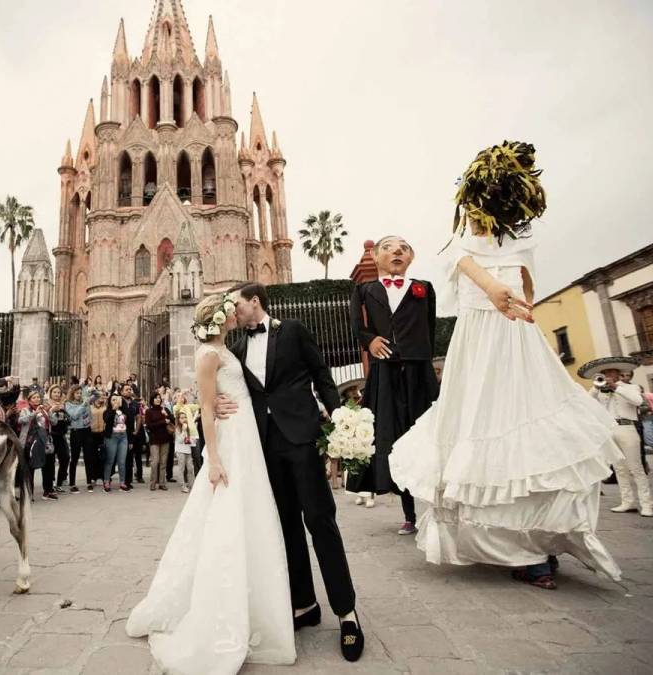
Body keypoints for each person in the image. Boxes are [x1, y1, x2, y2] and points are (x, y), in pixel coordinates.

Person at [389, 141, 622, 590]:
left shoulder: (522, 244)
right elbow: (480, 278)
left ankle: (542, 541)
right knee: (484, 431)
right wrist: (498, 293)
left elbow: (528, 292)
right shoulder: (458, 244)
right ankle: (517, 550)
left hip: (518, 342)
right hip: (480, 345)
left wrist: (520, 304)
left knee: (536, 436)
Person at [127, 294, 296, 674]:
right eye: (229, 309)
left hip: (247, 435)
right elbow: (205, 406)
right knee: (227, 516)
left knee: (250, 511)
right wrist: (214, 458)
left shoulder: (225, 347)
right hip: (231, 440)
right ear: (219, 318)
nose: (236, 312)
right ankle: (221, 611)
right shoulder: (208, 354)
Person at [220, 281, 364, 661]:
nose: (232, 311)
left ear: (255, 302)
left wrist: (341, 420)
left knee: (320, 520)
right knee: (285, 527)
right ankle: (304, 604)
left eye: (236, 304)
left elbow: (321, 375)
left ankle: (346, 612)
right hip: (264, 447)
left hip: (301, 438)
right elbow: (227, 391)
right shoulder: (234, 350)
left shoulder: (294, 330)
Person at [350, 236, 440, 534]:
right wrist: (370, 340)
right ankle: (409, 513)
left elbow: (429, 325)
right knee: (392, 437)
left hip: (419, 371)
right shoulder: (365, 290)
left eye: (403, 247)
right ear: (375, 258)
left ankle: (440, 507)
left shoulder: (423, 288)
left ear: (411, 258)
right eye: (388, 247)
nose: (397, 251)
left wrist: (420, 354)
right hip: (384, 373)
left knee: (428, 432)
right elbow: (357, 327)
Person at [580, 358, 653, 517]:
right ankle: (627, 502)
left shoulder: (631, 387)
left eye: (610, 372)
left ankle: (646, 504)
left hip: (628, 428)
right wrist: (596, 388)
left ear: (618, 374)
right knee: (620, 469)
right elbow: (585, 402)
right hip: (610, 429)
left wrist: (616, 387)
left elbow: (637, 400)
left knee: (636, 469)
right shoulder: (600, 391)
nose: (607, 375)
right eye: (604, 373)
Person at [17, 390, 53, 500]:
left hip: (44, 442)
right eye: (34, 398)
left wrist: (49, 412)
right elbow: (20, 420)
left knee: (48, 466)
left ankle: (48, 491)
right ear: (29, 400)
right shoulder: (25, 410)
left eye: (38, 397)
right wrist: (34, 413)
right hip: (30, 442)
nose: (37, 399)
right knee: (30, 468)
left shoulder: (44, 410)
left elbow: (54, 422)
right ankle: (29, 493)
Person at [65, 385, 92, 494]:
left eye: (80, 393)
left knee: (88, 457)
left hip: (87, 430)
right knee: (74, 458)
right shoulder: (68, 404)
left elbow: (97, 396)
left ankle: (89, 482)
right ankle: (72, 484)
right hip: (76, 432)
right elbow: (74, 415)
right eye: (77, 393)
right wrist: (83, 405)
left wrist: (93, 390)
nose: (79, 395)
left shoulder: (84, 401)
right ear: (72, 394)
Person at [143, 393, 173, 491]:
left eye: (159, 398)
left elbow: (173, 420)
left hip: (165, 438)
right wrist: (163, 422)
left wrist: (167, 415)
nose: (158, 399)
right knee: (155, 462)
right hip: (154, 439)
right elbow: (148, 425)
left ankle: (162, 483)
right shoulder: (149, 411)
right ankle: (153, 483)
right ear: (152, 400)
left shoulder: (164, 410)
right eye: (156, 398)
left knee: (163, 462)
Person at [102, 395, 131, 492]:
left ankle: (122, 482)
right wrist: (113, 409)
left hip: (123, 437)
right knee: (110, 460)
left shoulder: (123, 411)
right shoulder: (107, 411)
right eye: (113, 400)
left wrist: (123, 405)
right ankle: (106, 481)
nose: (115, 401)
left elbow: (130, 420)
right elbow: (106, 419)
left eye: (117, 399)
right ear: (110, 402)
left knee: (122, 461)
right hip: (112, 437)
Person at [46, 385, 71, 493]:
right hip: (51, 435)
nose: (56, 394)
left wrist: (64, 412)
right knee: (50, 461)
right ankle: (50, 483)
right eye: (54, 392)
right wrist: (51, 410)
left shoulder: (63, 405)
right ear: (51, 393)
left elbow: (68, 420)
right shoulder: (46, 404)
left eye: (58, 393)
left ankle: (59, 482)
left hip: (61, 435)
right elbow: (44, 418)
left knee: (65, 457)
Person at [120, 384, 142, 486]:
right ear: (121, 392)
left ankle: (127, 481)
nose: (129, 391)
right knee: (119, 458)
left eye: (130, 389)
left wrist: (137, 430)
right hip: (119, 433)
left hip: (130, 433)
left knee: (129, 457)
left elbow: (138, 417)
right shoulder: (119, 401)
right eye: (126, 389)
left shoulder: (135, 403)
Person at [88, 393, 108, 493]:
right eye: (98, 397)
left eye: (101, 398)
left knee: (103, 456)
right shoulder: (90, 408)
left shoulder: (105, 407)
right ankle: (93, 477)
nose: (99, 399)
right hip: (92, 434)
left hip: (102, 434)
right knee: (93, 456)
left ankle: (103, 476)